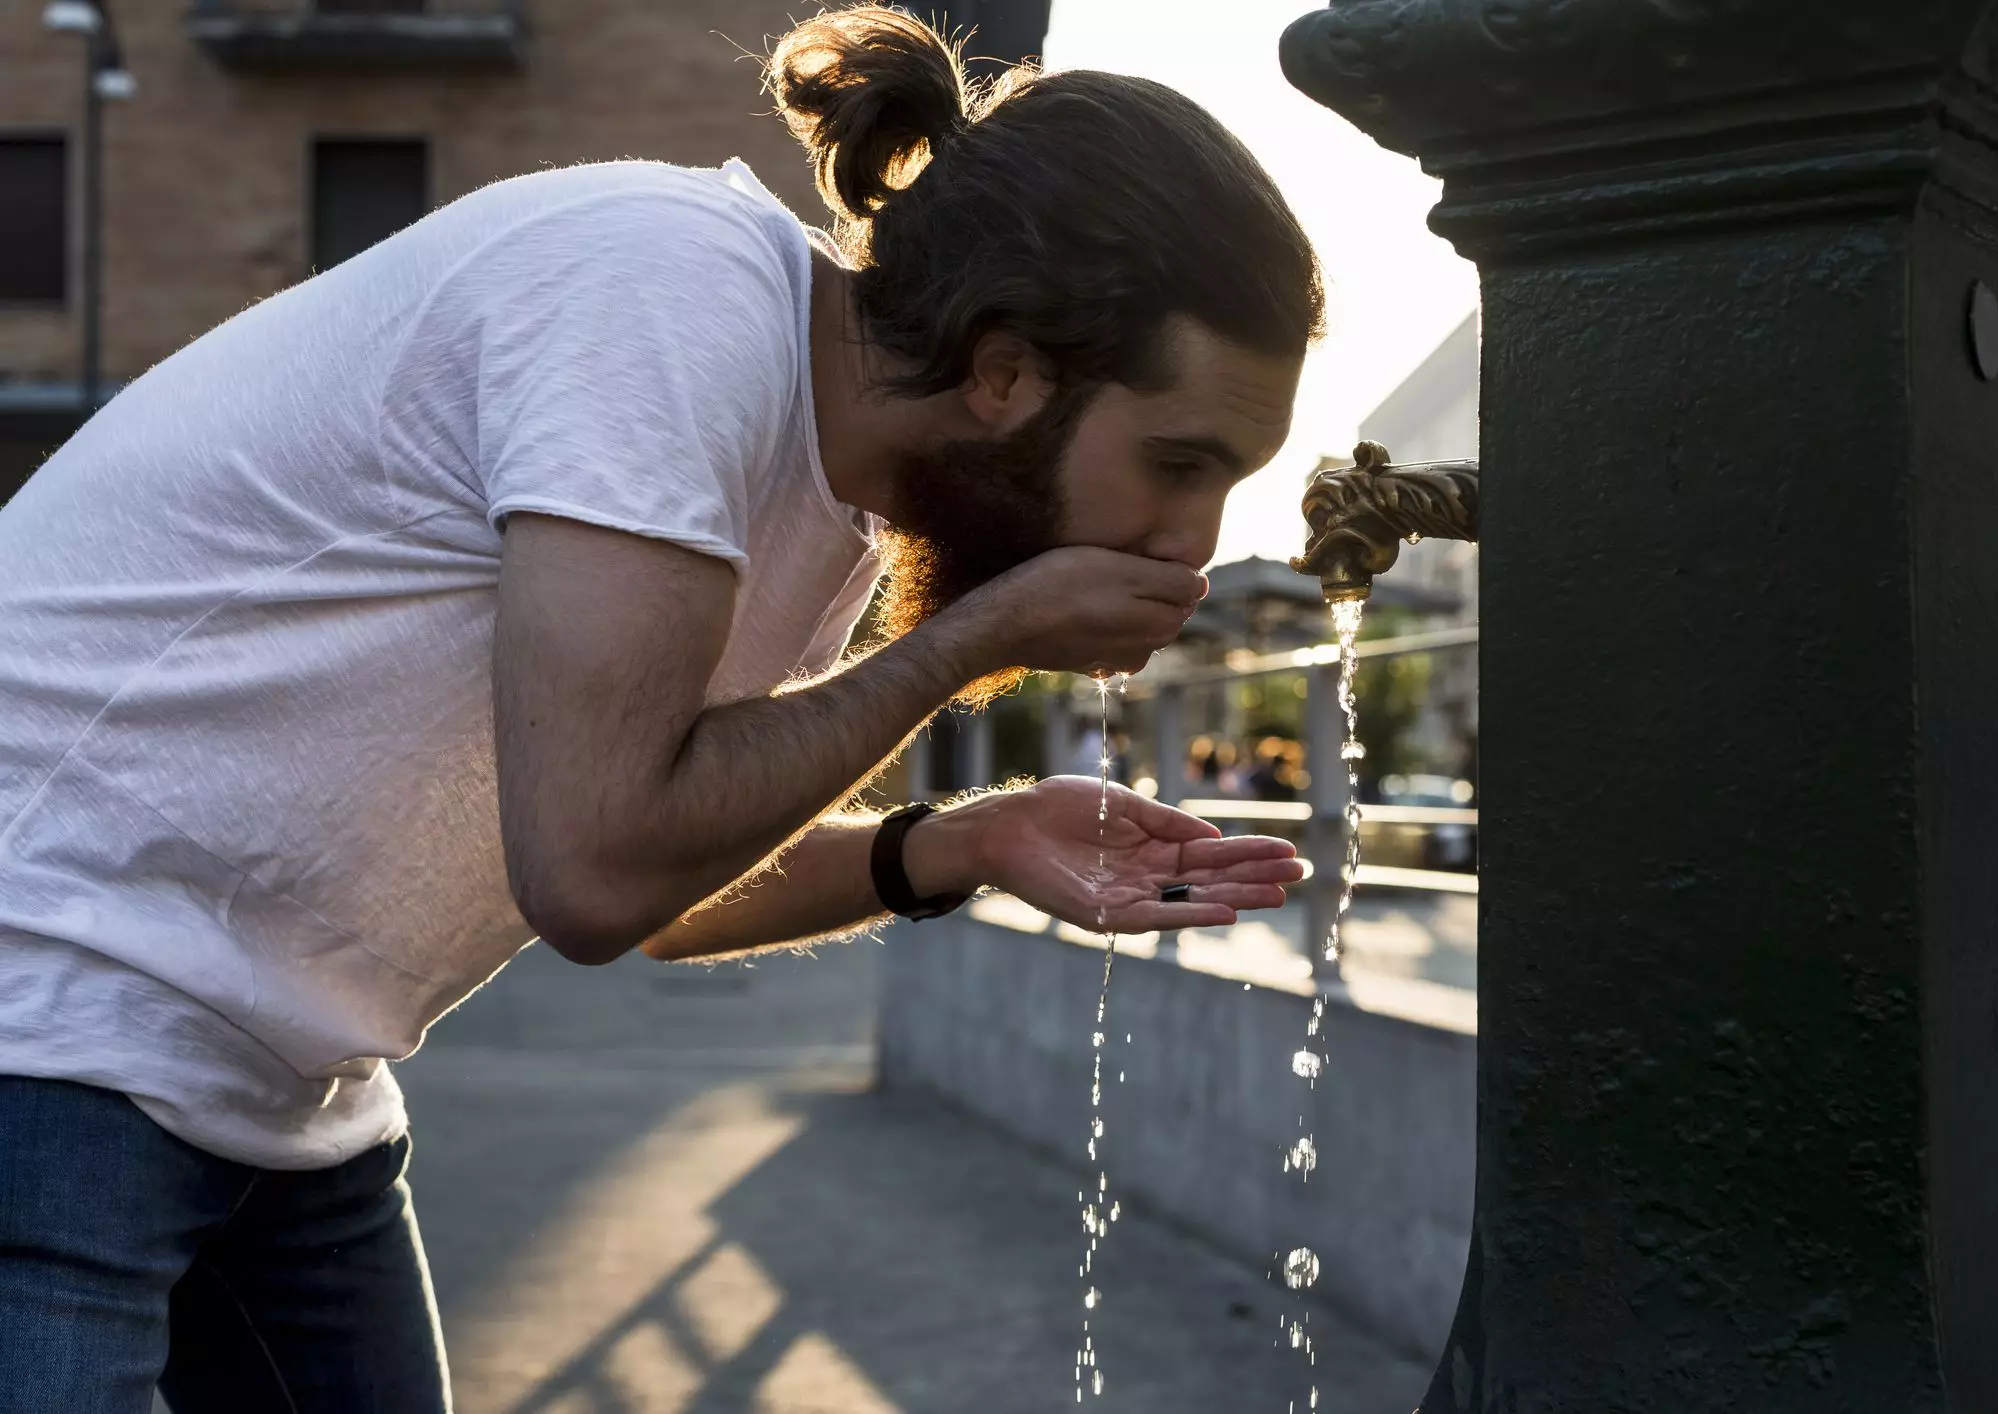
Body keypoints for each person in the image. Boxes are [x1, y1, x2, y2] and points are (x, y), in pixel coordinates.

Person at [0, 9, 1322, 1410]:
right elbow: (595, 865)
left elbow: (661, 886)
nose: (1193, 538)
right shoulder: (668, 296)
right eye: (1181, 462)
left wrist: (964, 843)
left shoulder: (832, 493)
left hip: (279, 1086)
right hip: (47, 1013)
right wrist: (965, 645)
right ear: (1005, 373)